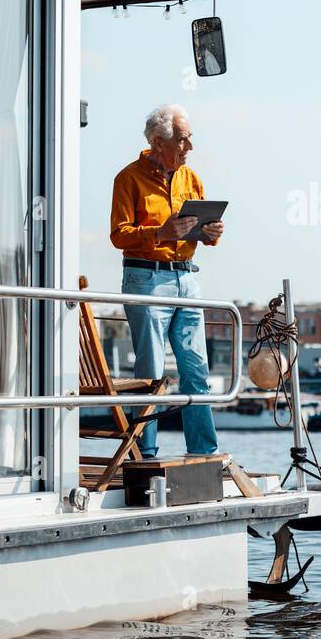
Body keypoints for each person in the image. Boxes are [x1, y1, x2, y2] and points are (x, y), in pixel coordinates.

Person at [108, 104, 225, 458]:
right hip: (146, 280)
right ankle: (145, 455)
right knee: (151, 374)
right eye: (184, 140)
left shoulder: (192, 179)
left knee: (197, 372)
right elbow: (118, 234)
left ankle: (203, 455)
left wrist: (212, 232)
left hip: (187, 280)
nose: (190, 148)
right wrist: (159, 232)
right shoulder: (128, 178)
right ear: (160, 142)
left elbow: (205, 232)